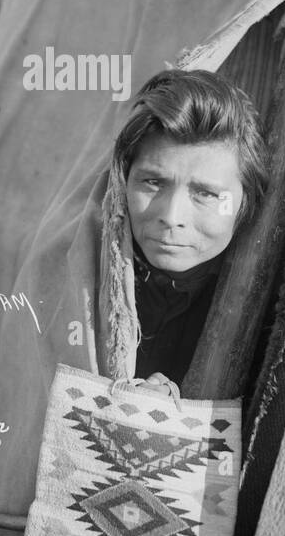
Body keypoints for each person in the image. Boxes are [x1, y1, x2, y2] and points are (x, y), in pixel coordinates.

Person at [109, 68, 269, 388]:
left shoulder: (271, 314)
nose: (171, 216)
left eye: (206, 194)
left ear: (245, 203)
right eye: (153, 182)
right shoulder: (90, 277)